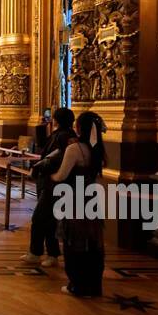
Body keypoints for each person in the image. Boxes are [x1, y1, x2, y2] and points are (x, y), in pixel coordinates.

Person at [52, 111, 107, 298]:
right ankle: (94, 284)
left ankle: (77, 284)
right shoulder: (98, 149)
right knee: (92, 242)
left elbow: (62, 175)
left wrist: (49, 175)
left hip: (75, 198)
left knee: (73, 241)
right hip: (91, 197)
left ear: (80, 128)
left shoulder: (75, 149)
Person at [20, 107, 76, 268]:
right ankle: (51, 254)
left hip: (53, 184)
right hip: (53, 184)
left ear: (56, 120)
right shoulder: (66, 136)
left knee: (39, 218)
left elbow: (53, 158)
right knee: (49, 220)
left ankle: (36, 253)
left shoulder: (62, 136)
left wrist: (39, 167)